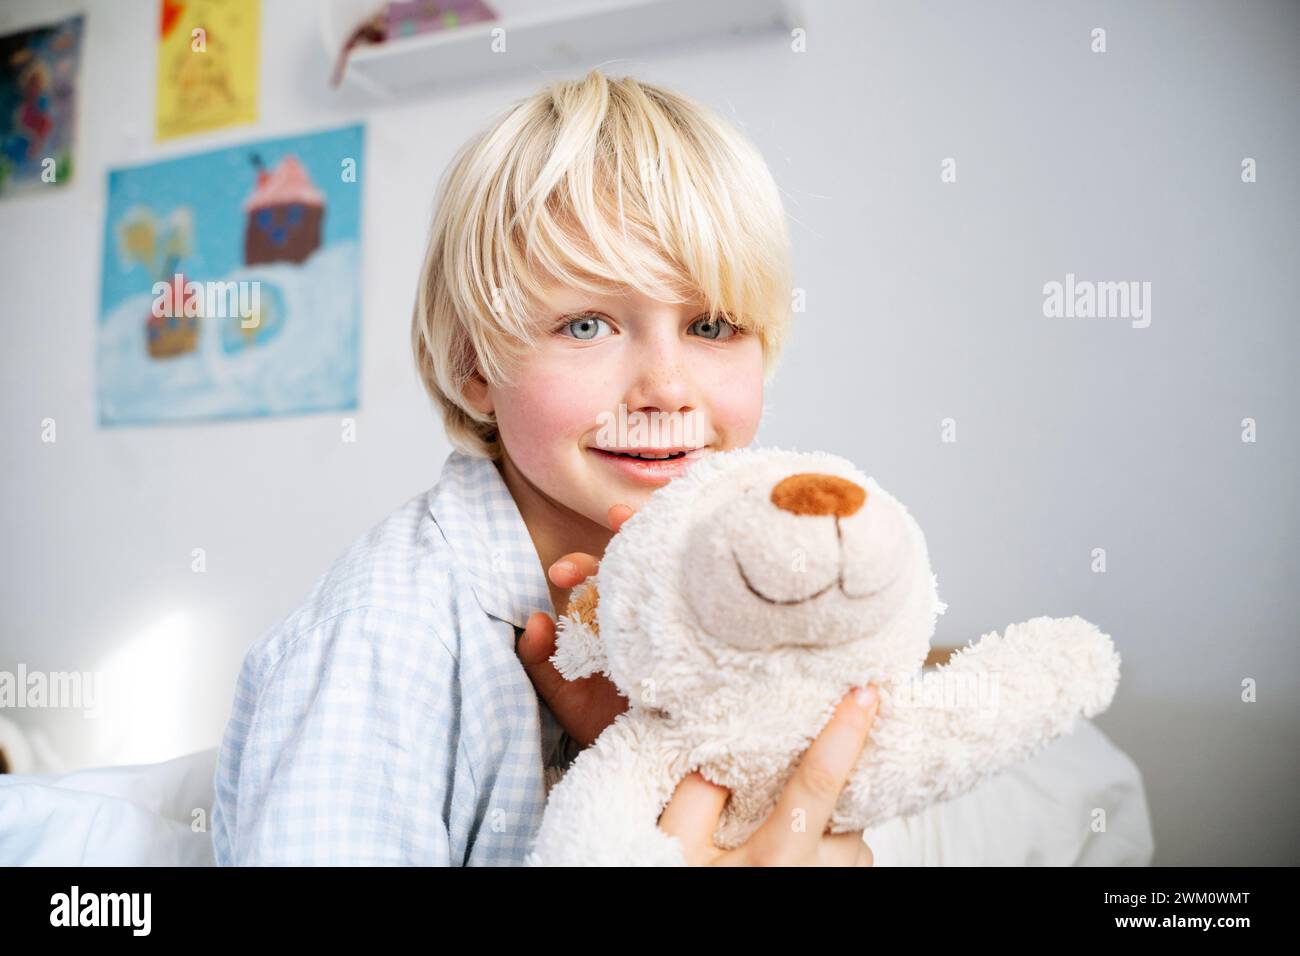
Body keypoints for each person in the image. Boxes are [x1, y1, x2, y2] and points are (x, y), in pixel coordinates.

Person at [211, 69, 877, 865]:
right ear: (473, 365)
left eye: (713, 323)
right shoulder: (383, 644)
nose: (666, 386)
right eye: (588, 324)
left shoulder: (731, 600)